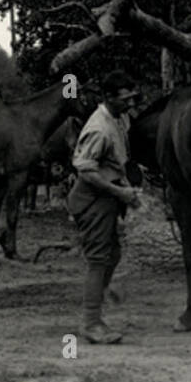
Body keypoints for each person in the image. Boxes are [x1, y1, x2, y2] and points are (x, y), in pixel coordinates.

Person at [67, 70, 142, 344]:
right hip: (93, 200)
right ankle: (91, 322)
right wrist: (119, 192)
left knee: (113, 254)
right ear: (108, 98)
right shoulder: (98, 128)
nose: (130, 104)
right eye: (125, 99)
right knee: (99, 259)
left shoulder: (118, 118)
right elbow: (86, 171)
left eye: (133, 98)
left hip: (108, 198)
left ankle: (99, 293)